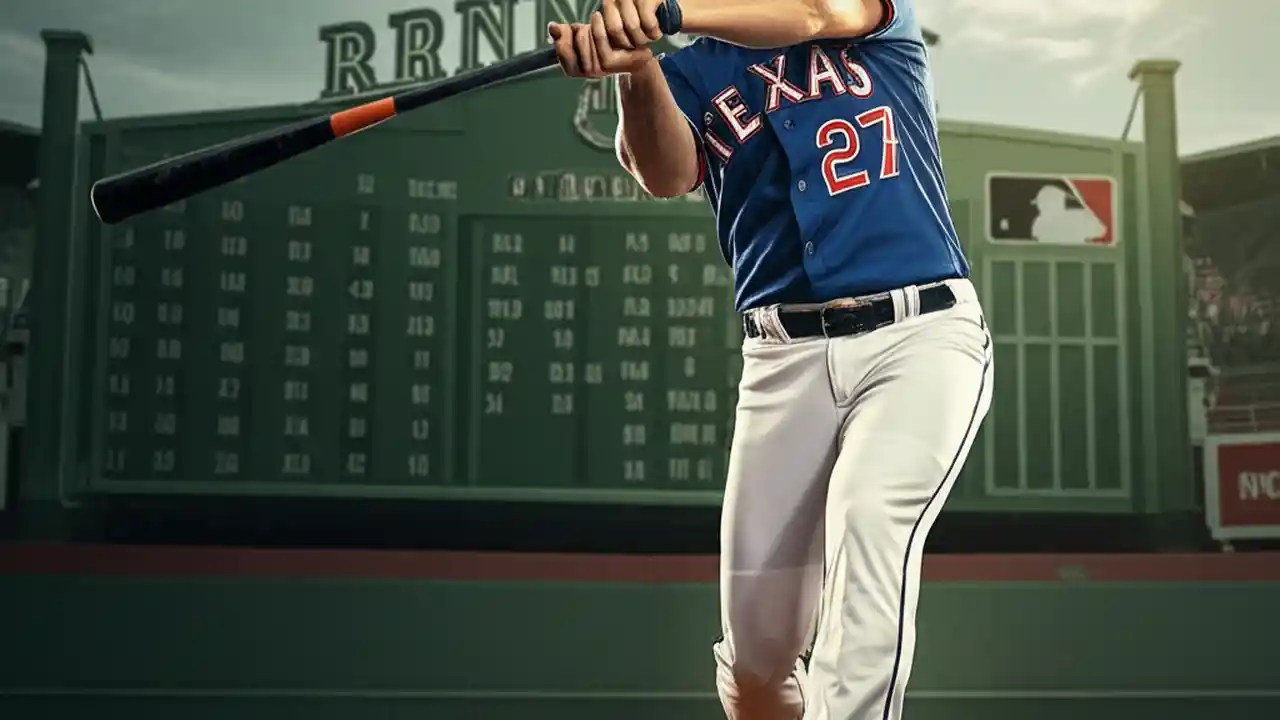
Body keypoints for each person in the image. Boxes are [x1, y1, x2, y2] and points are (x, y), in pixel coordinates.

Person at [549, 2, 993, 718]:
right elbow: (662, 172)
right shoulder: (692, 71)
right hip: (783, 361)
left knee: (869, 523)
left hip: (918, 341)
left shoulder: (872, 17)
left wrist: (664, 13)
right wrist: (634, 68)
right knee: (755, 663)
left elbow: (818, 14)